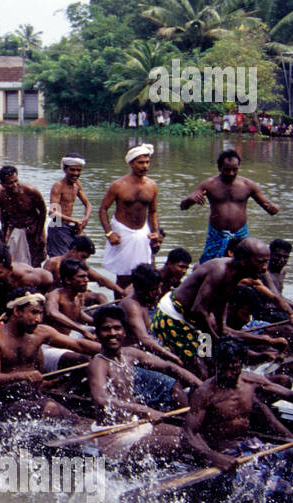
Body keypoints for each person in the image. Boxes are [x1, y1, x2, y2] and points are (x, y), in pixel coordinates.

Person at [87, 306, 200, 454]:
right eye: (106, 329)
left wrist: (203, 387)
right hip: (113, 434)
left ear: (125, 331)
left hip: (134, 423)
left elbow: (169, 368)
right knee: (184, 443)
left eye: (117, 328)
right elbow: (101, 398)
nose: (112, 333)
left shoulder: (130, 354)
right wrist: (145, 410)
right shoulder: (98, 363)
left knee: (192, 435)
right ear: (97, 334)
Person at [182, 340, 293, 472]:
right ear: (217, 364)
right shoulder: (204, 393)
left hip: (249, 445)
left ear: (241, 364)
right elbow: (189, 434)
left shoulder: (251, 382)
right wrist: (214, 457)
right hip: (225, 452)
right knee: (281, 486)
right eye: (224, 368)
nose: (228, 374)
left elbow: (291, 396)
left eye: (234, 368)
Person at [152, 237, 271, 368]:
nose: (265, 268)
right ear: (243, 260)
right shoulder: (219, 272)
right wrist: (216, 339)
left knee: (209, 359)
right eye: (260, 262)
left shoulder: (235, 272)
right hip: (173, 317)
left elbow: (222, 302)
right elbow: (198, 310)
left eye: (266, 262)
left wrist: (222, 328)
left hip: (194, 320)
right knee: (201, 367)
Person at [178, 149, 280, 262]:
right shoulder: (209, 184)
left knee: (245, 265)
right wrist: (190, 199)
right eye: (227, 170)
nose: (231, 173)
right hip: (216, 233)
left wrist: (275, 207)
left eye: (234, 170)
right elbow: (183, 206)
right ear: (219, 168)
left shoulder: (248, 185)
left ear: (239, 167)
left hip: (240, 233)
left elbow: (270, 208)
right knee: (209, 265)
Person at [99, 144, 159, 287]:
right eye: (140, 163)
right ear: (131, 163)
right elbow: (103, 209)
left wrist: (155, 232)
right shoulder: (118, 185)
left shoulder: (152, 186)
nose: (145, 166)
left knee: (145, 274)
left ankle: (141, 307)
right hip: (122, 232)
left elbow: (153, 211)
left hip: (142, 232)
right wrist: (109, 233)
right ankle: (119, 307)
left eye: (147, 162)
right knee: (123, 278)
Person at [0, 164, 48, 267]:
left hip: (33, 230)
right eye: (10, 183)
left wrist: (39, 234)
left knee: (35, 262)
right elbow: (4, 219)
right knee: (15, 262)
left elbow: (43, 211)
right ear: (2, 184)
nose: (14, 185)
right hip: (16, 230)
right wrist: (4, 237)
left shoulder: (31, 191)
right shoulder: (1, 197)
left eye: (16, 181)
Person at [47, 153, 91, 257]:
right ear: (65, 169)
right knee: (60, 259)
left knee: (77, 255)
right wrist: (75, 221)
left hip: (69, 226)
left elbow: (87, 203)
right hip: (57, 225)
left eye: (78, 170)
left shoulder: (77, 184)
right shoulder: (59, 186)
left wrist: (86, 219)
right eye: (72, 170)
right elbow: (52, 212)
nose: (76, 173)